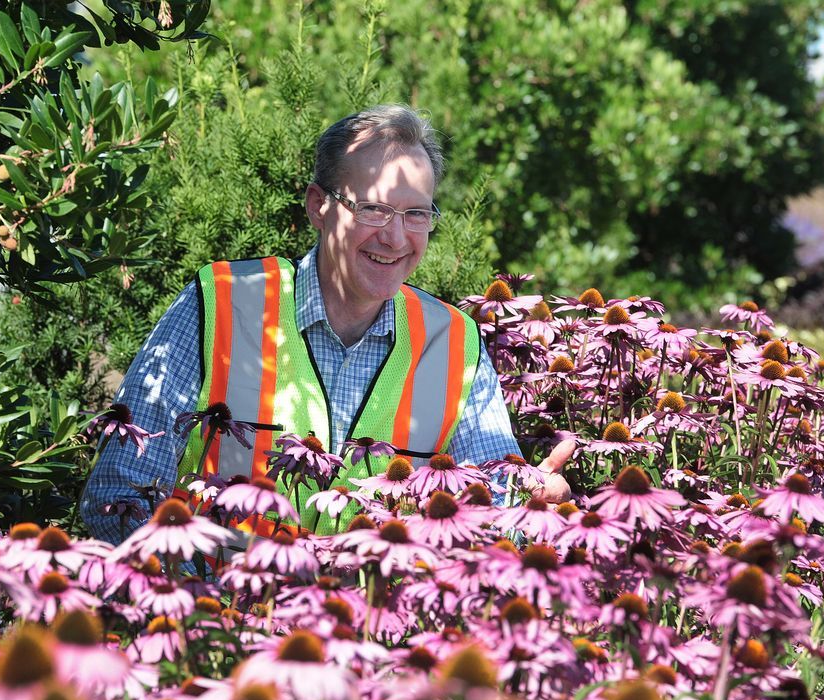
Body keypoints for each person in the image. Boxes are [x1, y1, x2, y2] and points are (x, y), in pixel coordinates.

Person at [81, 105, 519, 543]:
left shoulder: (455, 344)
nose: (396, 237)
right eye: (373, 209)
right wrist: (212, 601)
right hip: (214, 606)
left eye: (416, 215)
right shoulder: (219, 305)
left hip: (375, 611)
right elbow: (119, 496)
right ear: (318, 207)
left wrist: (530, 502)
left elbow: (497, 513)